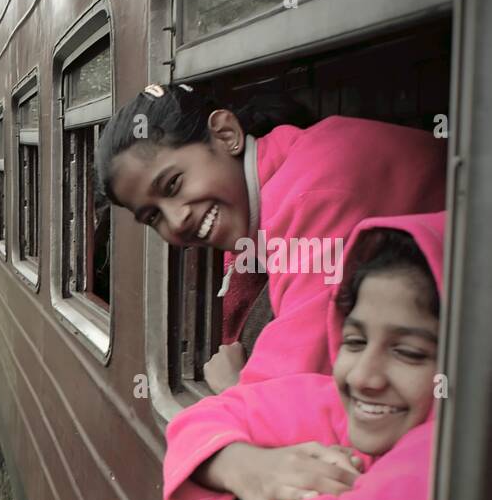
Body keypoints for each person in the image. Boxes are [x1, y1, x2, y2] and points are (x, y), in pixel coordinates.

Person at [160, 212, 445, 500]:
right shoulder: (342, 405)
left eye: (409, 352)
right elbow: (196, 423)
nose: (365, 376)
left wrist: (294, 497)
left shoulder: (450, 455)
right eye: (354, 341)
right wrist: (248, 468)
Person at [96, 83, 446, 392]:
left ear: (225, 134)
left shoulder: (311, 194)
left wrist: (234, 385)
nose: (177, 219)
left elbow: (290, 389)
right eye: (153, 216)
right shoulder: (286, 179)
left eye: (173, 185)